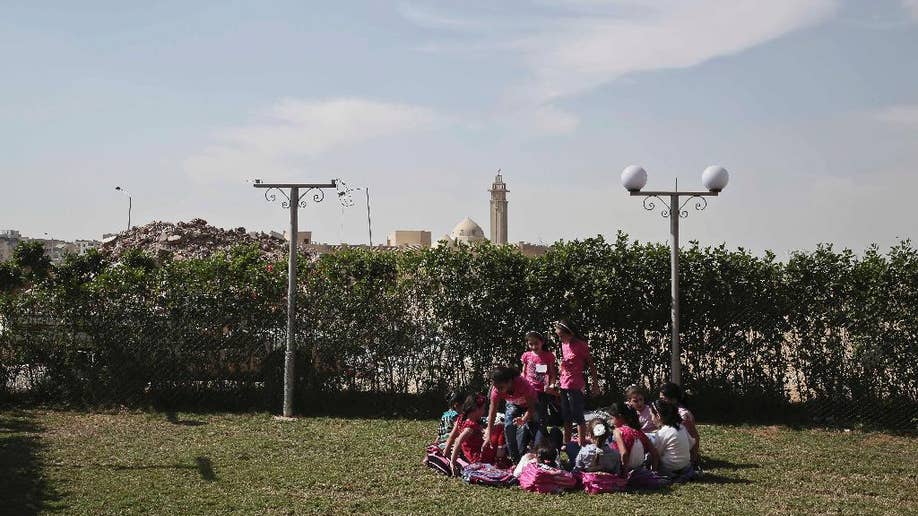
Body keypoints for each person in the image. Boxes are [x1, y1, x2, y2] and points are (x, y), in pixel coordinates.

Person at [554, 320, 600, 448]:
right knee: (566, 415)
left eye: (562, 336)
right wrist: (560, 368)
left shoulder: (581, 345)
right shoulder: (564, 345)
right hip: (564, 384)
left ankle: (581, 443)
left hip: (575, 384)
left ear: (571, 333)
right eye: (559, 336)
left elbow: (591, 364)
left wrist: (595, 383)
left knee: (578, 415)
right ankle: (566, 442)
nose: (560, 339)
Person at [485, 366, 543, 463]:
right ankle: (515, 459)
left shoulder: (522, 384)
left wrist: (524, 419)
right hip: (513, 403)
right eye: (496, 387)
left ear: (509, 382)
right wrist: (489, 435)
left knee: (537, 425)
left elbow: (531, 408)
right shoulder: (496, 391)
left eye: (500, 387)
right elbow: (492, 413)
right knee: (508, 426)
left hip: (531, 404)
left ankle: (538, 454)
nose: (498, 390)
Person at [446, 394, 508, 474]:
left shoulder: (461, 419)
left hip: (472, 454)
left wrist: (446, 453)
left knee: (496, 428)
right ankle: (499, 458)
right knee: (500, 427)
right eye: (482, 409)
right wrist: (452, 462)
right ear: (475, 409)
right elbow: (458, 441)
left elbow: (452, 437)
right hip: (478, 458)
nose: (484, 412)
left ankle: (500, 455)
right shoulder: (471, 427)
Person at [650, 400, 696, 477]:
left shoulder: (662, 433)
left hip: (669, 468)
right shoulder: (681, 427)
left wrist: (654, 472)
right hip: (685, 466)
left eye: (651, 415)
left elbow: (656, 455)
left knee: (649, 456)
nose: (651, 418)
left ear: (658, 416)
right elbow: (691, 444)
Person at [608, 402, 659, 471]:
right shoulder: (639, 432)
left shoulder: (618, 431)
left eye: (612, 418)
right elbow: (655, 453)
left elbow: (624, 454)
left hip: (622, 470)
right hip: (640, 470)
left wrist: (624, 473)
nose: (610, 422)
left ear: (620, 417)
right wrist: (654, 471)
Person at [658, 382, 700, 465]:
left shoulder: (683, 415)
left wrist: (693, 458)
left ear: (673, 399)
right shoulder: (668, 411)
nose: (660, 402)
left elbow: (695, 437)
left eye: (663, 399)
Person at [520, 331, 557, 420]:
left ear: (542, 342)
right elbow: (523, 372)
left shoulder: (548, 356)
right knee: (529, 414)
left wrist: (552, 385)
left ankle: (541, 431)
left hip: (542, 392)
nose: (533, 347)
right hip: (529, 389)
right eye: (530, 344)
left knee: (540, 416)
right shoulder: (526, 355)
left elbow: (552, 373)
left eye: (536, 343)